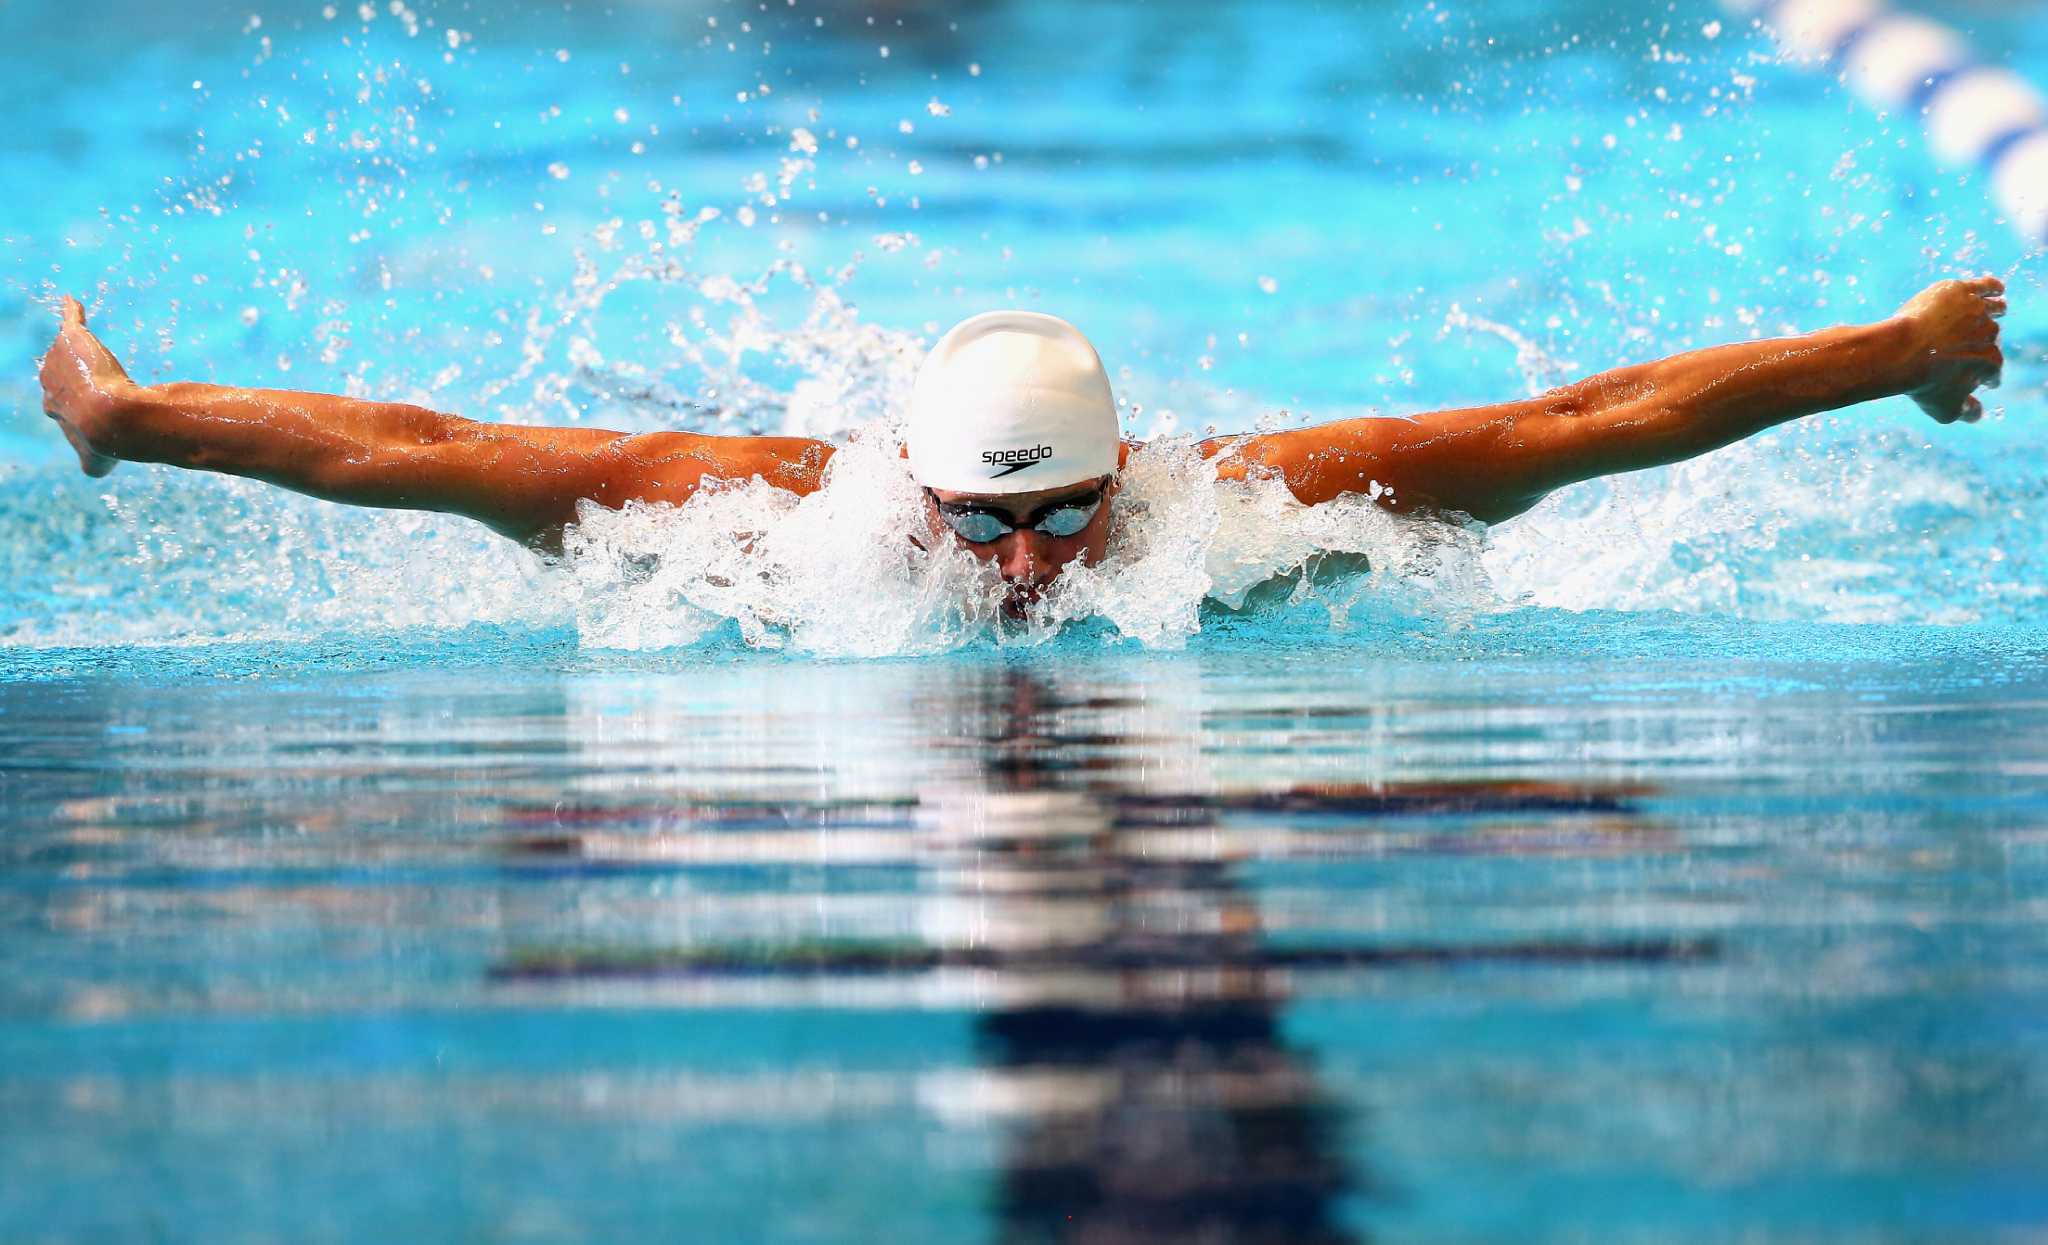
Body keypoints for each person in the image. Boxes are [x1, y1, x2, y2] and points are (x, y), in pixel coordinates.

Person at [37, 278, 2006, 606]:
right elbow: (417, 443)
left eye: (1068, 515)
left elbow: (1586, 422)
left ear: (1123, 469)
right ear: (912, 485)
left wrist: (1897, 354)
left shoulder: (1232, 512)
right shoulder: (751, 520)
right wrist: (130, 420)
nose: (1033, 569)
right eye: (988, 525)